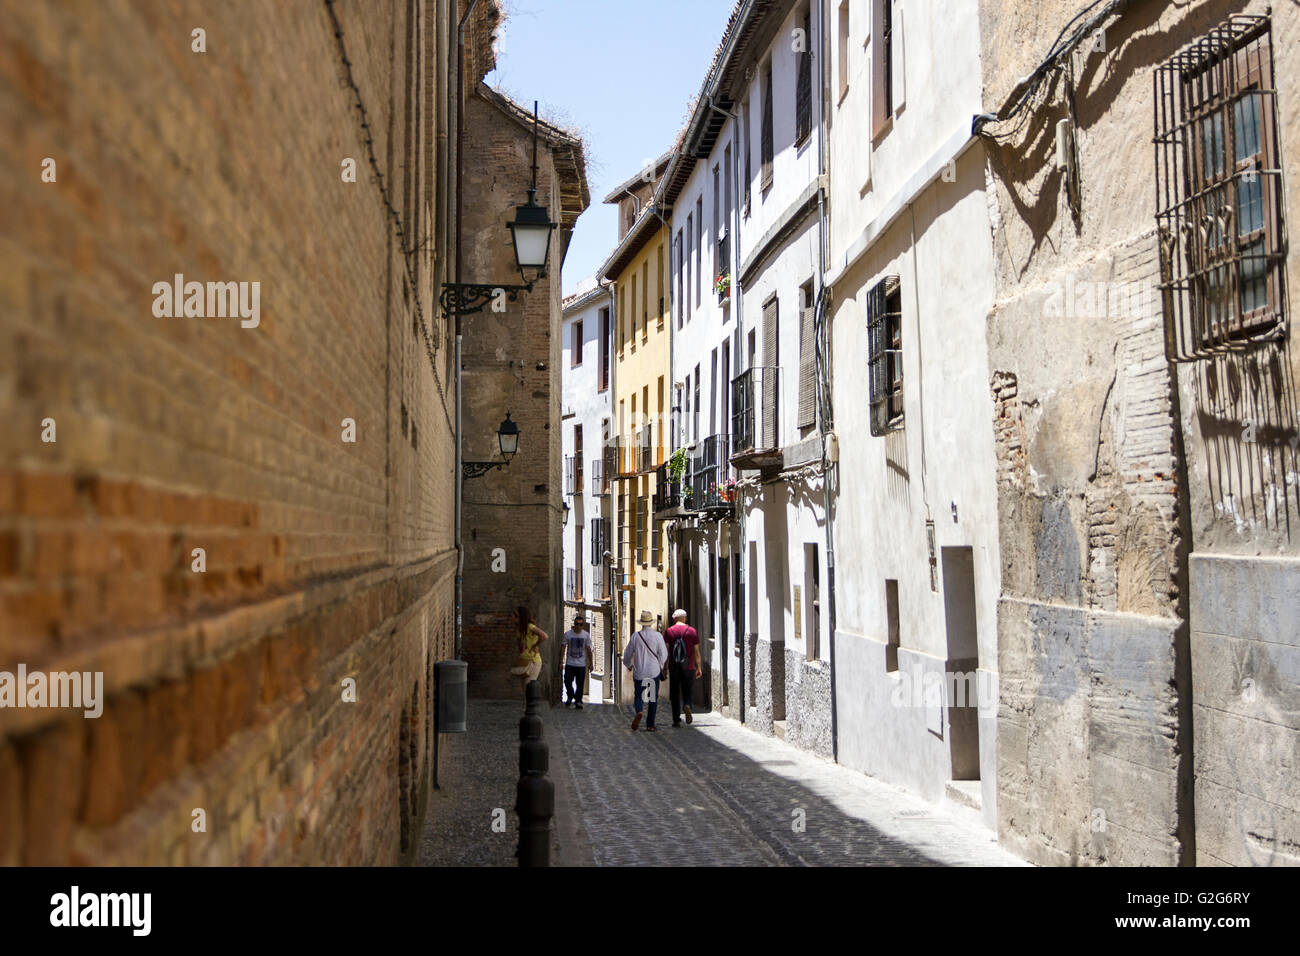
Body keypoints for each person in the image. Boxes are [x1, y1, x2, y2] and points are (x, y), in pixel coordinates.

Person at [622, 609, 667, 732]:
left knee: (638, 696)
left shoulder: (636, 636)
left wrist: (628, 664)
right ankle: (650, 725)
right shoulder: (657, 636)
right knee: (652, 698)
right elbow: (663, 653)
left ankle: (639, 711)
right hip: (653, 672)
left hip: (640, 672)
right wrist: (660, 666)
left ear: (641, 623)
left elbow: (627, 653)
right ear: (651, 623)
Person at [664, 608, 702, 727]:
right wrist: (699, 667)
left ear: (675, 619)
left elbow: (666, 651)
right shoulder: (692, 631)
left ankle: (676, 719)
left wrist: (665, 667)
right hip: (689, 666)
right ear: (685, 618)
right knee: (688, 690)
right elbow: (696, 651)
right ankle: (687, 704)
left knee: (674, 693)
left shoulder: (669, 631)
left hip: (674, 666)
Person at [508, 606, 548, 698]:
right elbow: (521, 644)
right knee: (525, 688)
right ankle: (526, 709)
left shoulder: (530, 627)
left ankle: (529, 710)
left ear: (520, 617)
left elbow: (544, 636)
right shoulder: (519, 629)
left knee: (529, 687)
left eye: (514, 616)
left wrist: (535, 645)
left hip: (533, 661)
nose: (512, 618)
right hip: (524, 660)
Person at [561, 614, 593, 709]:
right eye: (576, 624)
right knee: (567, 681)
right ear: (574, 624)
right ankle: (570, 695)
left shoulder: (586, 635)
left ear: (583, 625)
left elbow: (588, 649)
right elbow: (563, 648)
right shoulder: (568, 634)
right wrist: (560, 661)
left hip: (581, 664)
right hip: (570, 663)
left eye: (580, 624)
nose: (578, 626)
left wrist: (591, 663)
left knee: (580, 684)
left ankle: (578, 701)